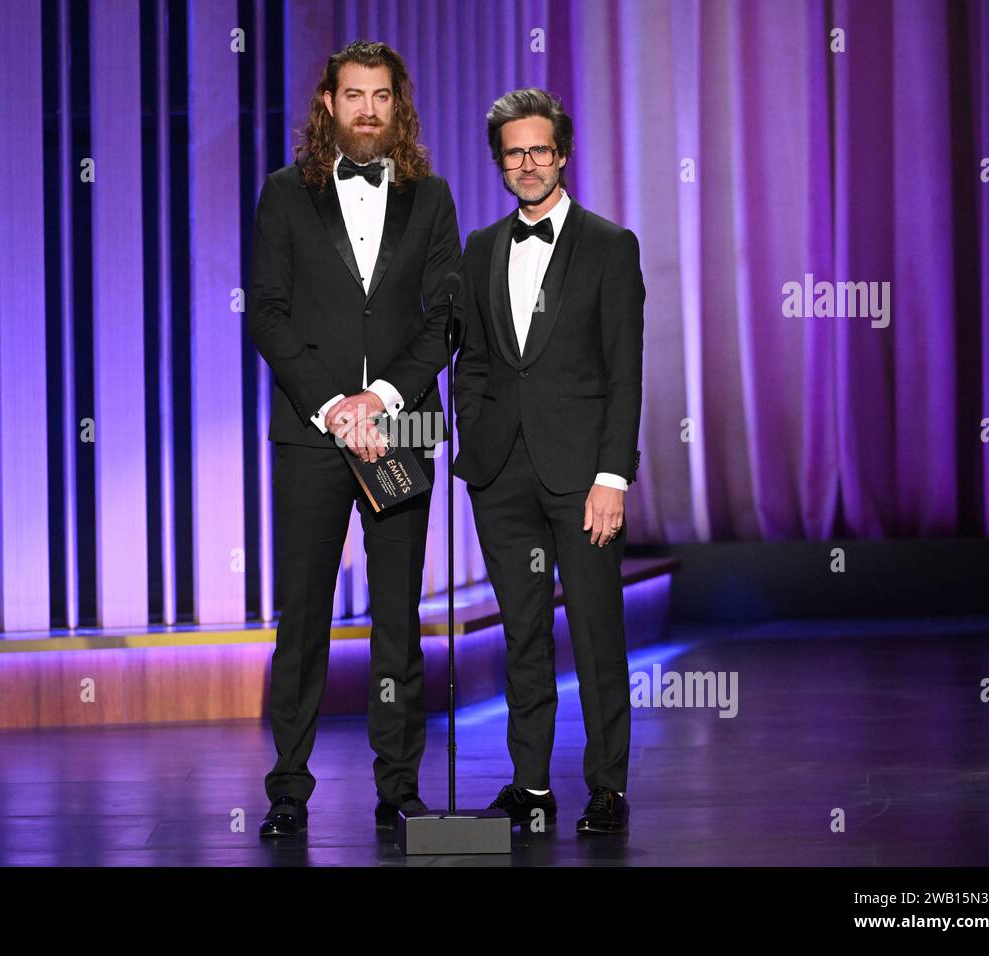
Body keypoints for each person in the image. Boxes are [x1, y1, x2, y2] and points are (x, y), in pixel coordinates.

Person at [247, 40, 463, 837]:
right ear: (328, 105)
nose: (367, 109)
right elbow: (267, 311)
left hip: (402, 424)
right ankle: (288, 791)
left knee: (399, 620)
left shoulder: (431, 198)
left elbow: (444, 316)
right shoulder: (284, 193)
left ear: (396, 107)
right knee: (301, 617)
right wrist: (337, 405)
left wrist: (381, 397)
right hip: (312, 433)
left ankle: (397, 787)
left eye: (380, 96)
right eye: (353, 95)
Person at [454, 88, 644, 834]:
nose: (527, 164)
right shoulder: (480, 247)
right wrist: (475, 441)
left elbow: (624, 369)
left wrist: (613, 476)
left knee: (596, 631)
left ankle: (607, 787)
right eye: (513, 153)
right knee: (522, 632)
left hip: (584, 480)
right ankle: (530, 784)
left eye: (539, 150)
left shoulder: (608, 244)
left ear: (561, 154)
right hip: (502, 476)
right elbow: (472, 362)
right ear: (500, 164)